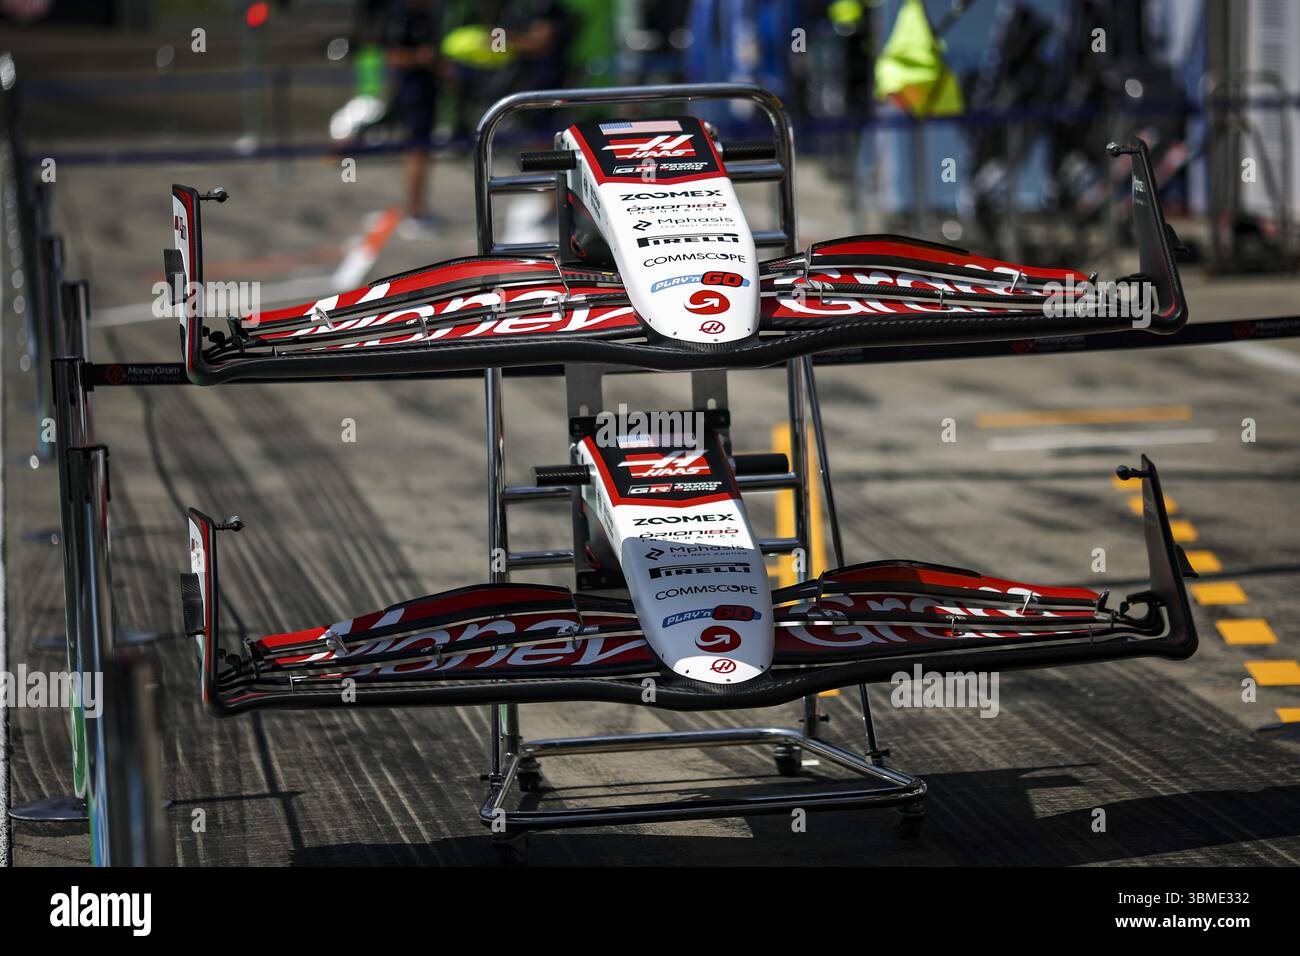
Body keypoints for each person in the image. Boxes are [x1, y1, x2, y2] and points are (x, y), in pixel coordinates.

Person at [381, 0, 444, 234]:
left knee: (423, 152)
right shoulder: (402, 16)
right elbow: (394, 56)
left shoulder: (428, 15)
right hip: (412, 95)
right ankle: (414, 212)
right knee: (416, 152)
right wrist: (421, 57)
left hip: (427, 93)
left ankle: (419, 209)